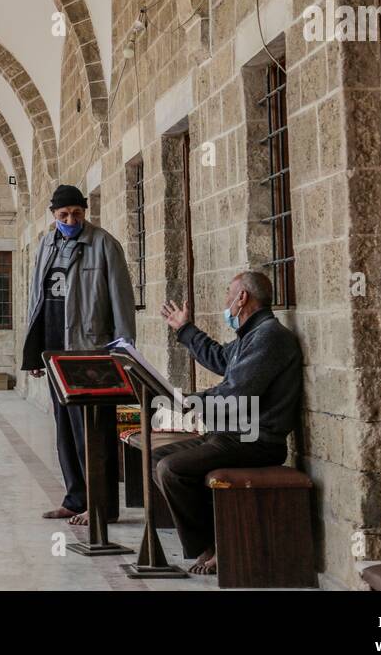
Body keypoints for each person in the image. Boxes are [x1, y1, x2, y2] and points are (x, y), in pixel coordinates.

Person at [155, 270, 303, 574]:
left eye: (227, 294)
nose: (226, 301)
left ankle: (220, 544)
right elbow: (220, 358)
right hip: (229, 436)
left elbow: (235, 392)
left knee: (172, 468)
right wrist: (185, 329)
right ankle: (208, 544)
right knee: (157, 456)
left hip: (256, 441)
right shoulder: (251, 335)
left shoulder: (270, 337)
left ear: (242, 297)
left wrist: (188, 402)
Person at [21, 184, 136, 526]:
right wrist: (34, 354)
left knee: (94, 431)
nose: (71, 219)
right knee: (65, 430)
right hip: (55, 352)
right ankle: (75, 499)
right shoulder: (45, 245)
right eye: (64, 215)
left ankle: (101, 506)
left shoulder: (104, 244)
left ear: (85, 213)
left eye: (77, 213)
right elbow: (36, 300)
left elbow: (121, 302)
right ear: (53, 216)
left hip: (91, 353)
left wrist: (124, 353)